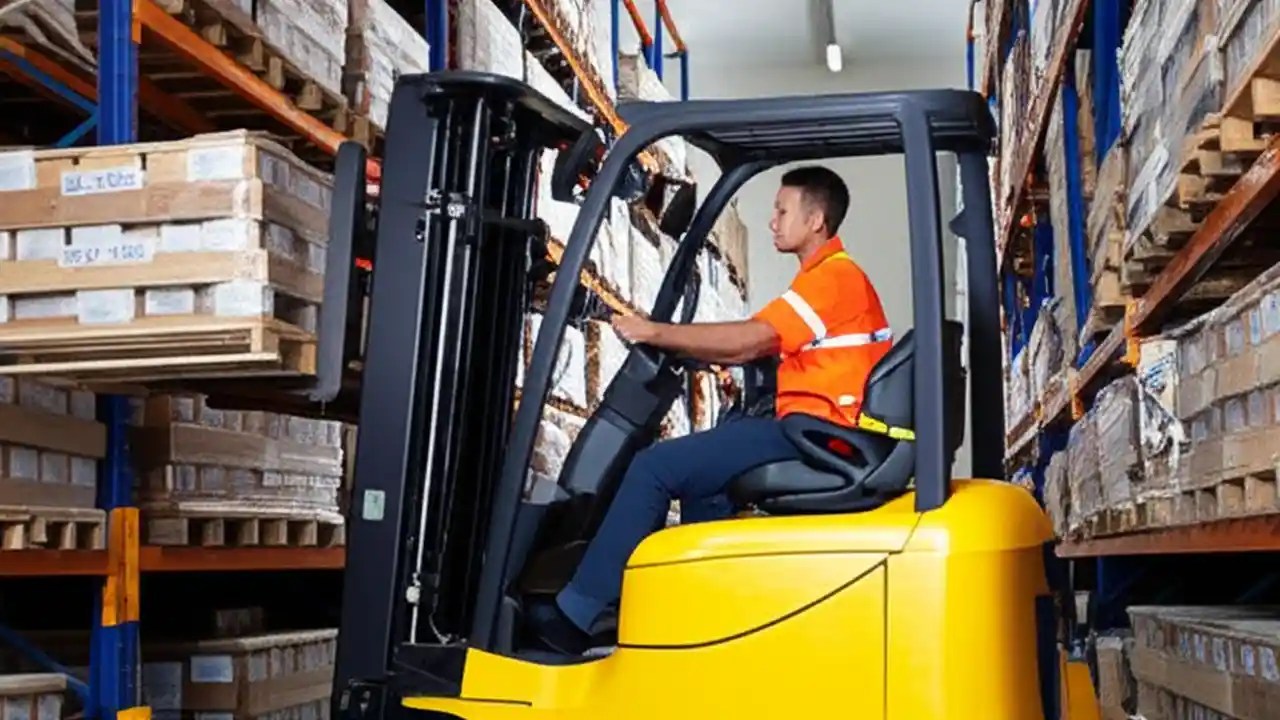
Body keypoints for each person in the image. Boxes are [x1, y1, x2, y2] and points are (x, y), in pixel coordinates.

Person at [526, 165, 894, 654]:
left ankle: (577, 614)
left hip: (819, 434)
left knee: (655, 467)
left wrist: (653, 332)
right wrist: (691, 350)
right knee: (705, 481)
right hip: (818, 430)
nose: (772, 221)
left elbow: (750, 341)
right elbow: (758, 342)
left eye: (782, 211)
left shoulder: (834, 277)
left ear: (816, 221)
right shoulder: (823, 280)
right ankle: (699, 618)